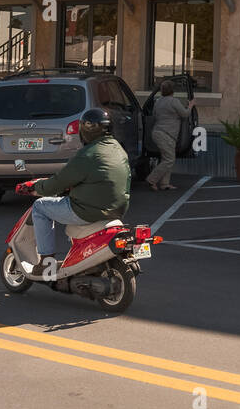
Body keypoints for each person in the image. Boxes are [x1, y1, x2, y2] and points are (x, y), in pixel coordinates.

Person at [21, 108, 130, 275]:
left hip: (87, 210)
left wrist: (36, 188)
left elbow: (56, 184)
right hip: (117, 209)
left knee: (40, 207)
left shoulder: (87, 154)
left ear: (85, 130)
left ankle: (45, 261)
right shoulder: (118, 149)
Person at [146, 79, 195, 191]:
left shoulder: (158, 101)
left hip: (158, 132)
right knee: (169, 160)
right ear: (172, 91)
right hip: (166, 134)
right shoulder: (174, 101)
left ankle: (165, 184)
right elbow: (185, 114)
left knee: (166, 158)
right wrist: (190, 105)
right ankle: (151, 179)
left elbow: (154, 114)